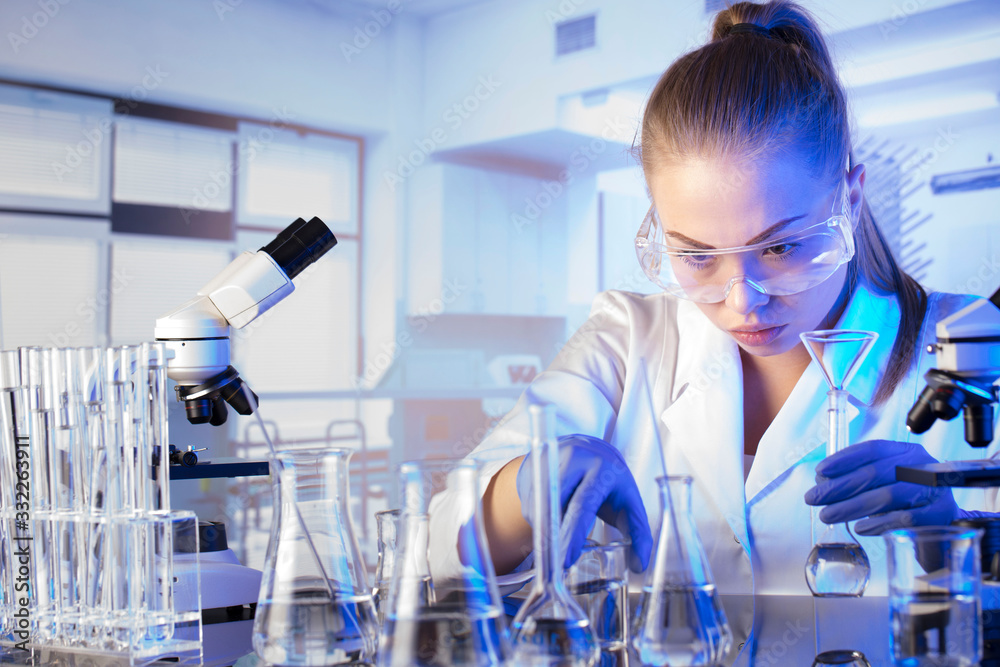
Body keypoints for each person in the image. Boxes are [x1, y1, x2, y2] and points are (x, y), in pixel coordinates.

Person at [427, 0, 1000, 627]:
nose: (741, 298)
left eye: (781, 246)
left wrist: (959, 530)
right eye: (697, 256)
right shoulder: (629, 339)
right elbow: (438, 548)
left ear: (851, 199)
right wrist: (524, 492)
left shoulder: (969, 346)